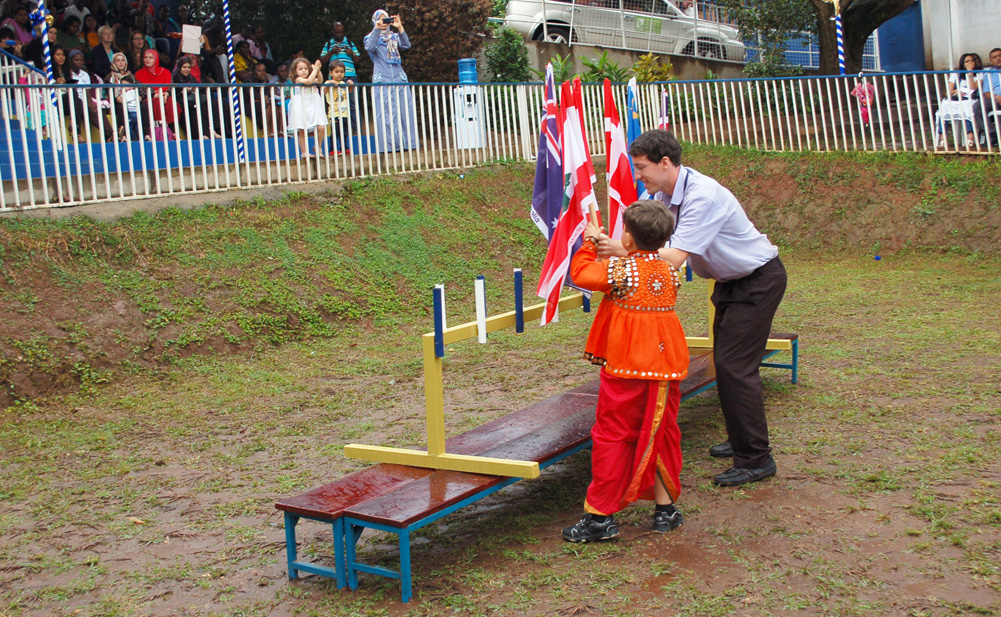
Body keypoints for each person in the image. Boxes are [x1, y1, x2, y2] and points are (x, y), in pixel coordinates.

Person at [597, 130, 786, 487]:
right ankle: (741, 438)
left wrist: (622, 252)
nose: (639, 176)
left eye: (642, 168)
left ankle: (756, 458)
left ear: (665, 163)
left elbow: (675, 256)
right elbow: (649, 234)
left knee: (735, 366)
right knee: (727, 363)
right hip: (731, 283)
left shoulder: (703, 195)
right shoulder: (664, 195)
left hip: (757, 281)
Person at [562, 201, 689, 543]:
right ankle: (665, 511)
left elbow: (582, 274)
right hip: (666, 369)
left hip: (627, 369)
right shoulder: (669, 271)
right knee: (660, 432)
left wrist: (590, 243)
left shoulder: (622, 272)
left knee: (612, 436)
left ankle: (601, 517)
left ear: (628, 239)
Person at [365, 9, 418, 152]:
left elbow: (406, 45)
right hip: (383, 79)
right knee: (384, 113)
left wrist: (400, 27)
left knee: (404, 111)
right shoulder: (371, 37)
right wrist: (377, 29)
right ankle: (388, 147)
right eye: (381, 19)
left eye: (386, 19)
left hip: (398, 78)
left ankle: (408, 145)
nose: (384, 22)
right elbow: (370, 47)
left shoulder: (394, 36)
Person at [66, 48, 117, 142]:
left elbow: (87, 92)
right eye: (76, 60)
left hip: (83, 102)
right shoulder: (68, 73)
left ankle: (110, 135)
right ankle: (111, 134)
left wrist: (91, 104)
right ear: (70, 61)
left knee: (97, 109)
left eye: (81, 60)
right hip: (72, 103)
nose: (80, 62)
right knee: (85, 107)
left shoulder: (85, 75)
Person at [935, 53, 983, 149]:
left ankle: (970, 137)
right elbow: (947, 92)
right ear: (962, 63)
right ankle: (943, 138)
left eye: (971, 61)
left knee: (968, 107)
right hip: (955, 99)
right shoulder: (956, 74)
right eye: (967, 61)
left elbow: (974, 87)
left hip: (970, 99)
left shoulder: (979, 74)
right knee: (943, 106)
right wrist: (956, 91)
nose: (969, 63)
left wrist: (970, 72)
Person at [287, 57, 327, 158]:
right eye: (300, 69)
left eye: (305, 68)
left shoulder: (312, 77)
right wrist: (315, 70)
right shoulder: (298, 79)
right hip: (302, 105)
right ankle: (304, 152)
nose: (304, 71)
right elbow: (308, 82)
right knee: (303, 129)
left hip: (314, 104)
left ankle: (318, 147)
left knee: (321, 126)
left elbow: (320, 80)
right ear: (295, 71)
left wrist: (318, 71)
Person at [135, 48, 177, 137]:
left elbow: (170, 86)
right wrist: (157, 95)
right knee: (157, 102)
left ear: (156, 59)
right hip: (149, 99)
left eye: (151, 57)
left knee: (171, 102)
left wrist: (166, 94)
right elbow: (141, 91)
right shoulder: (139, 74)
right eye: (146, 57)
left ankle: (174, 132)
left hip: (164, 97)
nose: (147, 59)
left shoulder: (165, 72)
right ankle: (160, 131)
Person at [973, 47, 1001, 147]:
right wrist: (997, 97)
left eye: (1000, 56)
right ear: (991, 60)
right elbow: (986, 93)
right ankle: (991, 133)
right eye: (995, 57)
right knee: (978, 106)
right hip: (995, 99)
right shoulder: (989, 74)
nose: (998, 58)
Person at [325, 59, 351, 155]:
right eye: (336, 72)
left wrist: (350, 84)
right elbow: (324, 89)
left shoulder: (343, 84)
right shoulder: (329, 83)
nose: (339, 74)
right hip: (335, 113)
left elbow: (349, 91)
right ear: (331, 73)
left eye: (342, 72)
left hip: (344, 113)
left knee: (344, 133)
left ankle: (344, 148)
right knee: (335, 133)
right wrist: (330, 82)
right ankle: (332, 149)